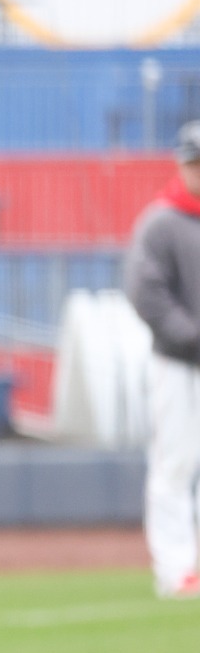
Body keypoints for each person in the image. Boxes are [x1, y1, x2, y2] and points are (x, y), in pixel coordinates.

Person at [123, 121, 200, 599]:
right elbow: (146, 292)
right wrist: (190, 336)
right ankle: (176, 569)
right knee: (175, 461)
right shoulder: (161, 222)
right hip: (177, 361)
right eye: (193, 163)